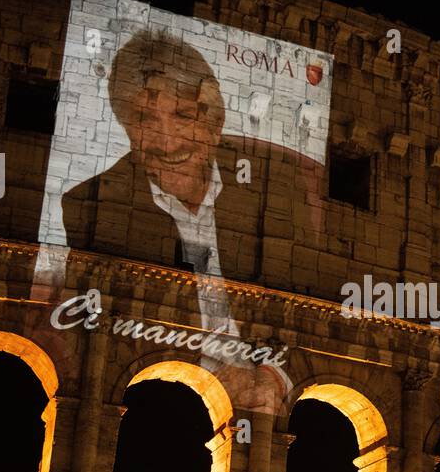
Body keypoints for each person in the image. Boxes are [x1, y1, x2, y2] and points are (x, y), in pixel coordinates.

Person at [58, 28, 323, 408]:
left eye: (183, 115)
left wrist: (268, 379)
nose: (168, 140)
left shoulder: (278, 190)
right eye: (145, 118)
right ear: (124, 127)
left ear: (216, 123)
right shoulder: (81, 202)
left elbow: (282, 346)